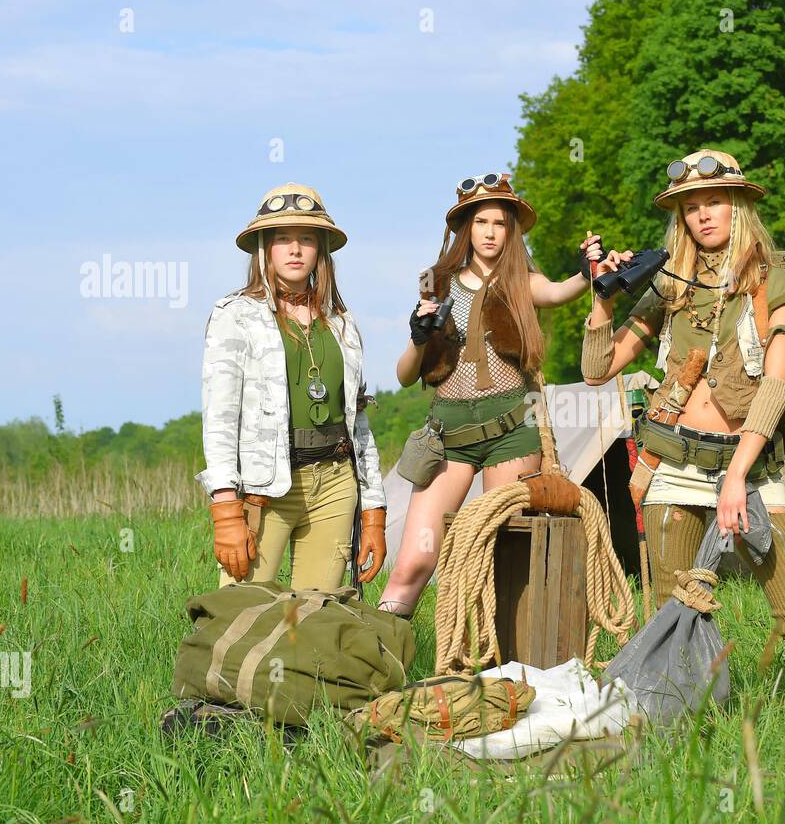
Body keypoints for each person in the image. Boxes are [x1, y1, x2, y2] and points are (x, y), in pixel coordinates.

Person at [581, 149, 785, 712]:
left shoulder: (774, 279)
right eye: (691, 207)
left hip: (749, 468)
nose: (703, 215)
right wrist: (601, 298)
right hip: (674, 465)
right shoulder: (669, 287)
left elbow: (777, 384)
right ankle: (676, 729)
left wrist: (739, 474)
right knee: (673, 607)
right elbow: (598, 369)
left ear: (738, 204)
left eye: (714, 201)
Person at [375, 172, 607, 619]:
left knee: (501, 558)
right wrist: (418, 338)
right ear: (466, 227)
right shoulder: (434, 281)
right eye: (481, 221)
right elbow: (405, 376)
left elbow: (558, 292)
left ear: (511, 230)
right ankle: (379, 661)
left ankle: (503, 673)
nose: (490, 232)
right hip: (449, 432)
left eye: (500, 223)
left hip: (511, 433)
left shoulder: (523, 280)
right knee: (413, 562)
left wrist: (586, 272)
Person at [196, 183, 386, 591]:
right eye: (283, 239)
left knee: (317, 621)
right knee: (240, 616)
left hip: (336, 483)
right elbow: (220, 417)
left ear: (321, 250)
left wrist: (374, 511)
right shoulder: (236, 316)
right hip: (264, 490)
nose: (295, 249)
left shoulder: (341, 322)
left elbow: (359, 422)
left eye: (306, 239)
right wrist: (225, 506)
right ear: (265, 247)